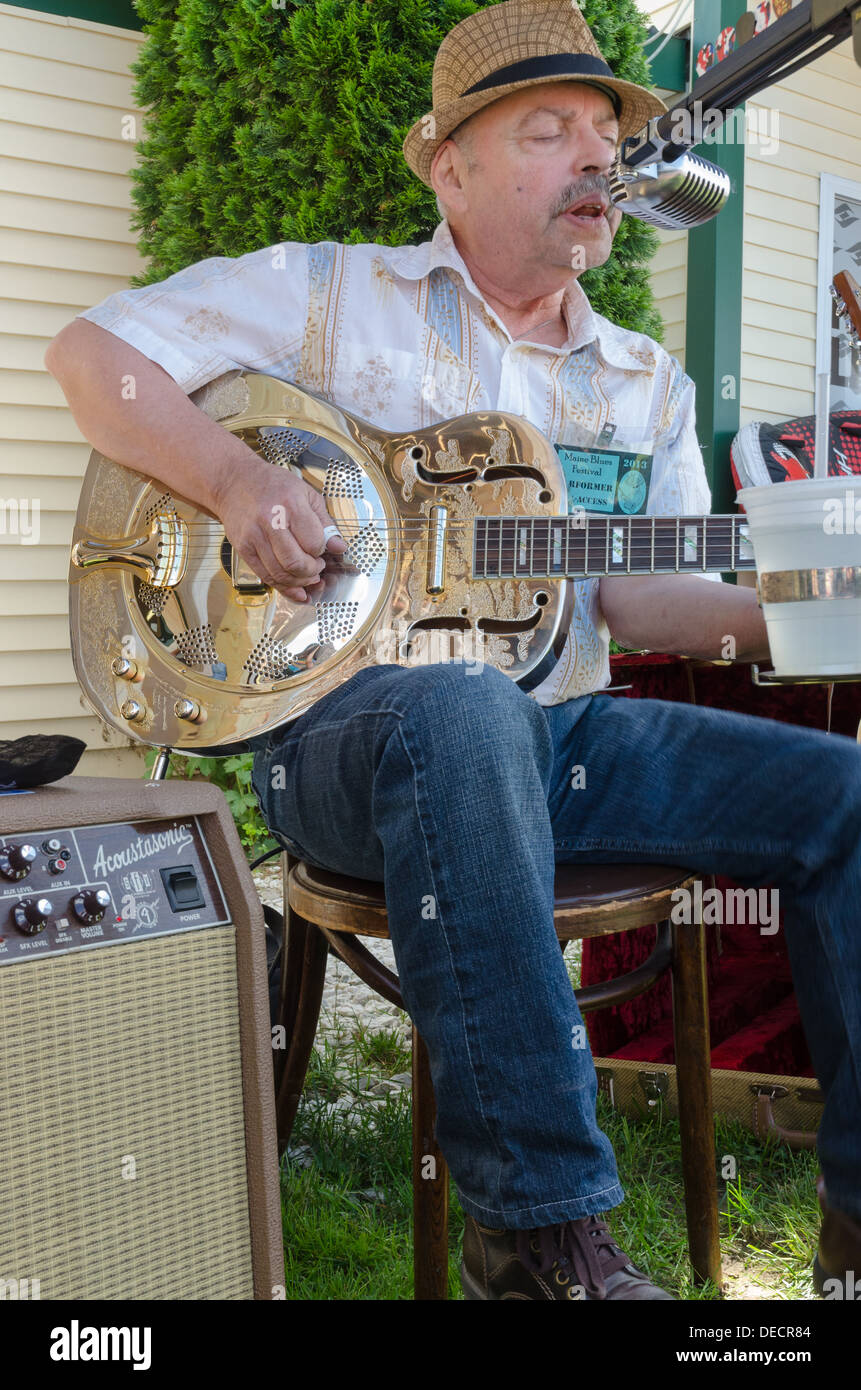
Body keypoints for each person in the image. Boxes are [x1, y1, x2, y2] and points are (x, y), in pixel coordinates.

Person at [46, 0, 861, 1301]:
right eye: (550, 132)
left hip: (565, 741)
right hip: (344, 739)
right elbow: (93, 355)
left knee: (844, 798)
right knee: (463, 708)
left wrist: (803, 606)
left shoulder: (642, 379)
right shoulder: (326, 293)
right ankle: (536, 1240)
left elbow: (640, 601)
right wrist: (240, 483)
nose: (596, 160)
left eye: (606, 138)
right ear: (448, 165)